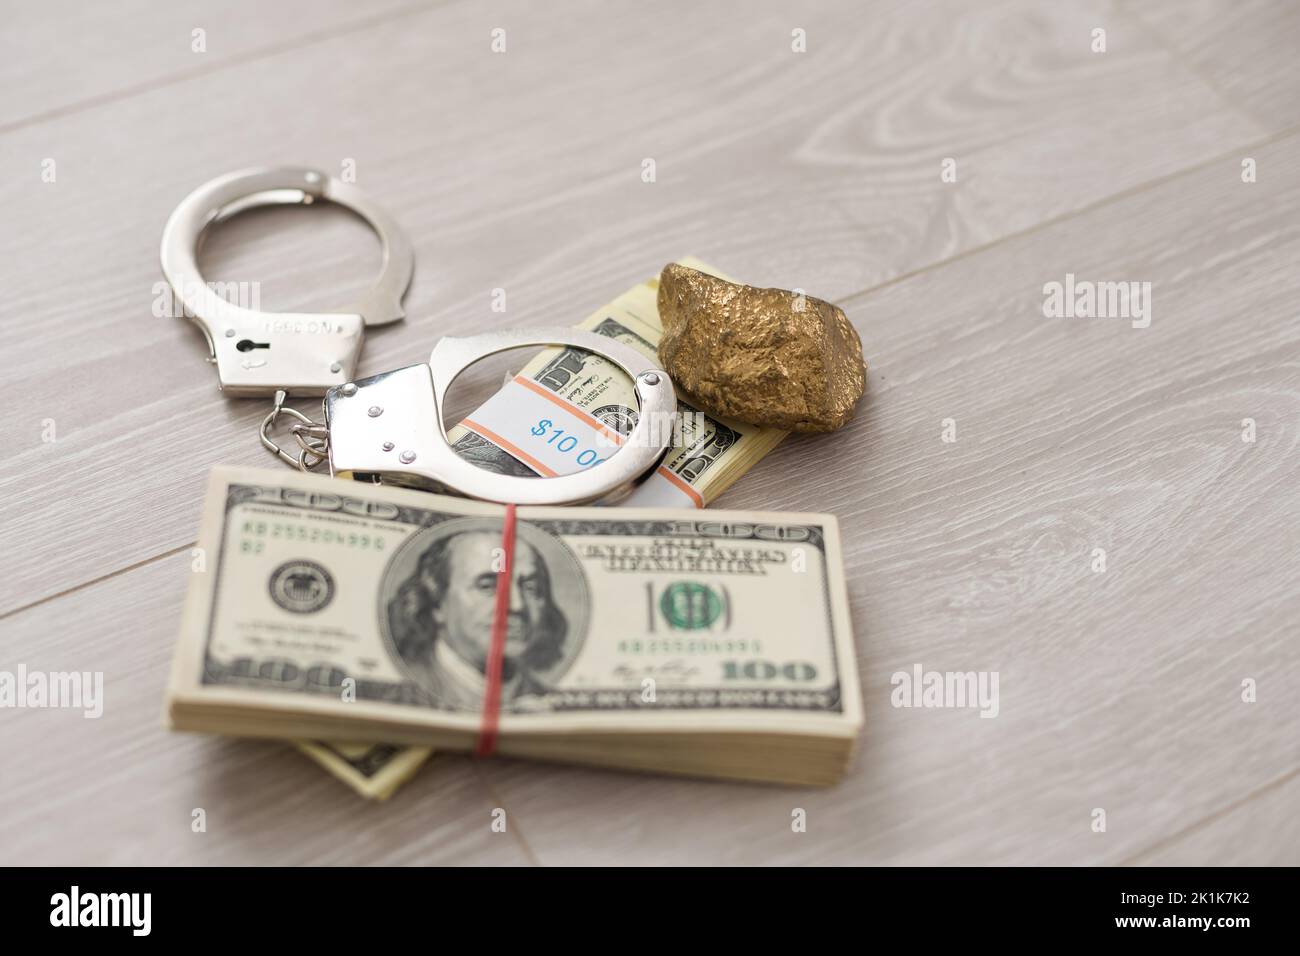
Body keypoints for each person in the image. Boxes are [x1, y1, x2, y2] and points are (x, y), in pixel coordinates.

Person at [387, 529, 568, 709]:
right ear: (436, 602)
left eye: (531, 588)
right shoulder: (399, 692)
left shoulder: (552, 701)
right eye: (487, 586)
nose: (517, 605)